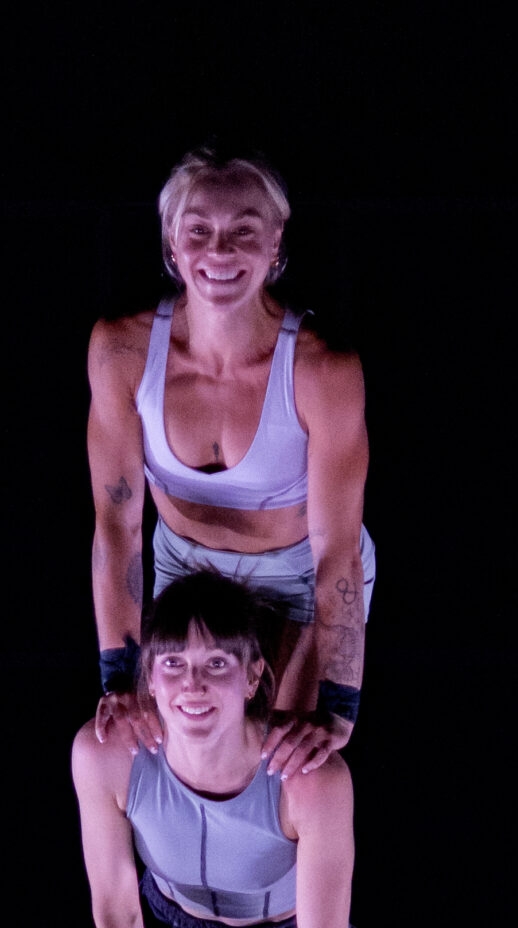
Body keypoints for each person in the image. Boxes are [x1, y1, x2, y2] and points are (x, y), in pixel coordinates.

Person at [86, 147, 371, 779]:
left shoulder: (322, 369)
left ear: (275, 243)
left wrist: (340, 702)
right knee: (163, 752)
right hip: (185, 566)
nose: (220, 251)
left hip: (293, 574)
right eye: (200, 232)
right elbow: (118, 527)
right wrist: (117, 674)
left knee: (280, 762)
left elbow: (337, 552)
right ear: (172, 243)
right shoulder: (122, 349)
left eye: (243, 231)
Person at [74, 571, 359, 928]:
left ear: (253, 677)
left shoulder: (310, 780)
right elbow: (116, 912)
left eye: (217, 665)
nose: (192, 686)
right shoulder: (105, 754)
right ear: (149, 680)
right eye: (174, 664)